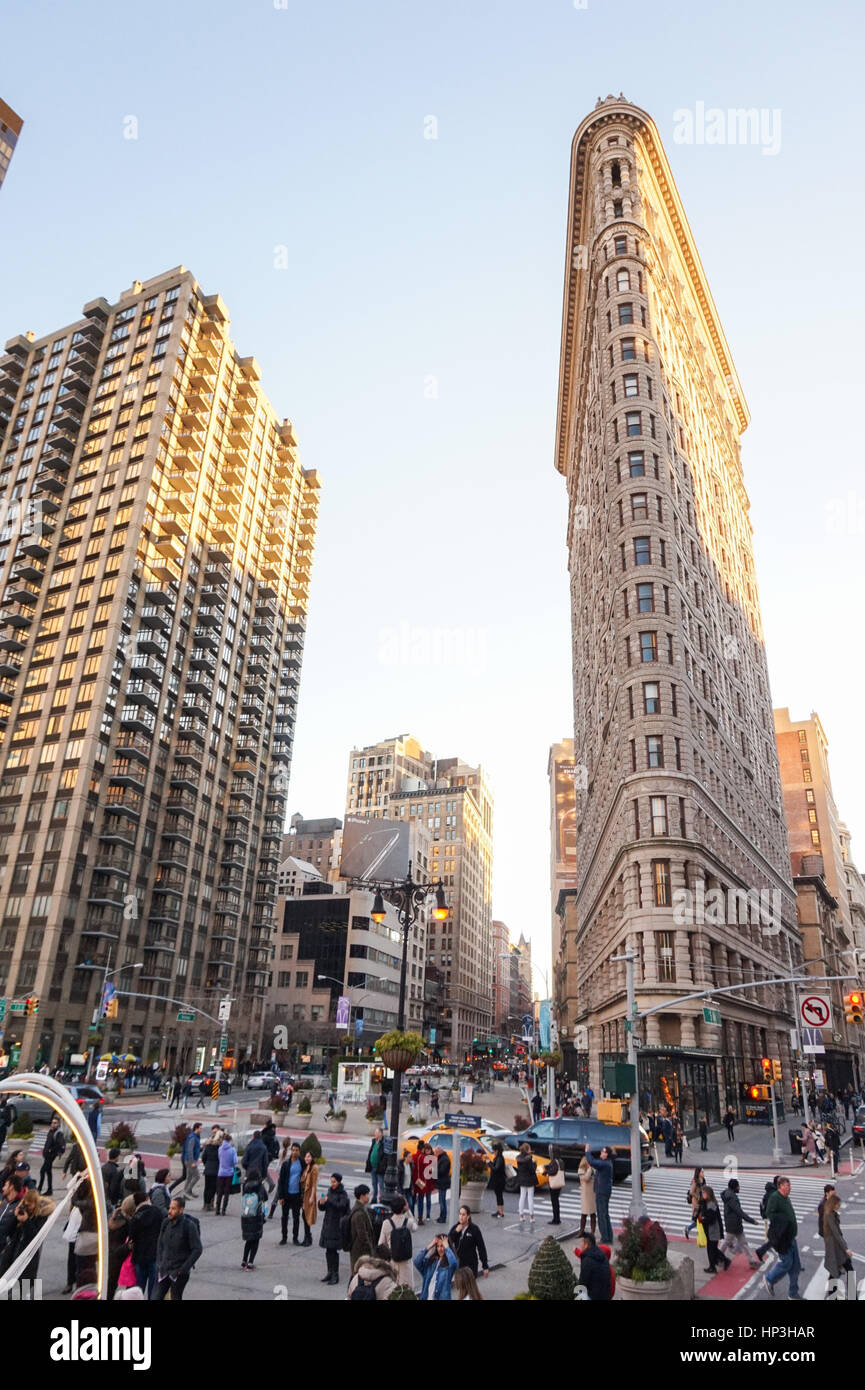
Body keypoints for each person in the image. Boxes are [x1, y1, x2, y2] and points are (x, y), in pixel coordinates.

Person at [0, 1189, 54, 1298]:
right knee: (5, 1294)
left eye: (30, 1206)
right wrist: (15, 1218)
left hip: (27, 1263)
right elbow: (8, 1232)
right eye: (26, 1204)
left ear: (36, 1204)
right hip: (12, 1258)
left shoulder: (41, 1217)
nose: (27, 1208)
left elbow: (35, 1237)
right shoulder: (22, 1213)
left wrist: (26, 1221)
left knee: (22, 1293)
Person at [152, 1195, 202, 1301]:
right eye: (169, 1208)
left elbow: (197, 1249)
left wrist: (184, 1268)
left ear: (181, 1210)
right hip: (164, 1270)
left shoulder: (189, 1226)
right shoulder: (166, 1223)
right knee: (156, 1297)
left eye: (173, 1208)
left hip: (178, 1272)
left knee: (175, 1296)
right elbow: (160, 1243)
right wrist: (159, 1262)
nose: (169, 1211)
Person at [762, 1177, 802, 1300]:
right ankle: (769, 1279)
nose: (789, 1188)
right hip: (782, 1238)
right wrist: (784, 1219)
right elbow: (769, 1213)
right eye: (786, 1186)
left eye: (789, 1186)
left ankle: (793, 1293)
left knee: (796, 1266)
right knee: (787, 1262)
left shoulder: (786, 1198)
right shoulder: (775, 1198)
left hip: (791, 1237)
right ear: (780, 1186)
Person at [719, 1179, 760, 1269]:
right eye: (738, 1186)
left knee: (743, 1243)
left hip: (734, 1224)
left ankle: (752, 1261)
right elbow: (739, 1212)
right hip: (733, 1225)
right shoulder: (732, 1198)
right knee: (727, 1242)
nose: (739, 1188)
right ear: (735, 1187)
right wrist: (752, 1221)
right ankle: (717, 1257)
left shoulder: (728, 1195)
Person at [128, 1190, 162, 1299]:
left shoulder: (135, 1217)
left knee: (139, 1288)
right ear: (147, 1199)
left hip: (139, 1256)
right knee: (153, 1289)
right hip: (154, 1254)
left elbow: (131, 1236)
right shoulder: (157, 1212)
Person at [318, 1172, 350, 1285]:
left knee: (334, 1251)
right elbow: (324, 1208)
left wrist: (329, 1200)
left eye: (334, 1182)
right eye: (331, 1182)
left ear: (339, 1182)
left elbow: (341, 1206)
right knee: (328, 1250)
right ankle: (329, 1272)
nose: (332, 1184)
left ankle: (335, 1274)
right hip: (328, 1224)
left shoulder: (343, 1194)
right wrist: (321, 1203)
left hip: (336, 1225)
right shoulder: (330, 1191)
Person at [379, 1194, 417, 1287]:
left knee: (394, 1288)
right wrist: (408, 1211)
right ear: (403, 1207)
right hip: (406, 1260)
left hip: (393, 1260)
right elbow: (415, 1227)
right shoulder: (408, 1222)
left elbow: (381, 1244)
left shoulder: (386, 1223)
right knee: (407, 1289)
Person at [822, 1192, 852, 1299]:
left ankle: (833, 1295)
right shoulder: (830, 1216)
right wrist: (846, 1249)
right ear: (833, 1204)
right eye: (837, 1204)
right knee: (846, 1270)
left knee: (835, 1272)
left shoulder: (832, 1214)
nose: (839, 1206)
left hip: (835, 1247)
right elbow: (836, 1234)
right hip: (835, 1247)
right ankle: (852, 1296)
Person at [448, 1203, 489, 1278]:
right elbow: (448, 1242)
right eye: (460, 1214)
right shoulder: (455, 1228)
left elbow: (481, 1247)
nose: (461, 1217)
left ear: (468, 1216)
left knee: (470, 1287)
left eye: (463, 1215)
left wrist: (485, 1265)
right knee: (461, 1287)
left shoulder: (474, 1229)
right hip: (459, 1264)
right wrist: (456, 1232)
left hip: (471, 1265)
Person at [413, 1232, 458, 1299]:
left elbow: (454, 1263)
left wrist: (447, 1247)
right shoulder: (432, 1261)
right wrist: (430, 1245)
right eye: (437, 1246)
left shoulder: (448, 1265)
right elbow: (417, 1262)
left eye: (442, 1246)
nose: (440, 1249)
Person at [584, 1146, 614, 1245]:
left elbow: (592, 1162)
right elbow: (595, 1162)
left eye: (603, 1151)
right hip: (603, 1190)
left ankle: (605, 1238)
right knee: (605, 1214)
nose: (601, 1152)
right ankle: (609, 1236)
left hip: (602, 1191)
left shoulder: (605, 1164)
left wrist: (587, 1152)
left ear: (607, 1154)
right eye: (602, 1151)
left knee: (602, 1215)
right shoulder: (606, 1163)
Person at [697, 1185, 730, 1274]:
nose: (702, 1194)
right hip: (710, 1230)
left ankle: (714, 1266)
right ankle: (720, 1262)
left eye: (704, 1193)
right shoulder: (707, 1202)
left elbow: (710, 1219)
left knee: (711, 1249)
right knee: (712, 1248)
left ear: (708, 1194)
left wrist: (702, 1219)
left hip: (713, 1230)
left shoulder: (711, 1204)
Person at [240, 1169, 268, 1270]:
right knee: (255, 1240)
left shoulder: (245, 1185)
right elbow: (265, 1197)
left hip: (245, 1216)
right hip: (256, 1216)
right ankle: (251, 1262)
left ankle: (244, 1260)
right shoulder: (259, 1185)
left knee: (248, 1240)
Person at [277, 1141, 304, 1245]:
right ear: (290, 1151)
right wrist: (280, 1196)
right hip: (286, 1194)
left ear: (299, 1151)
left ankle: (295, 1238)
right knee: (284, 1217)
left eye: (296, 1150)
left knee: (296, 1217)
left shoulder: (302, 1163)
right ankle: (284, 1237)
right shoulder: (286, 1164)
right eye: (293, 1150)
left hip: (297, 1194)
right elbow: (281, 1181)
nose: (294, 1152)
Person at [349, 1184, 378, 1270]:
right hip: (360, 1251)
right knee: (359, 1275)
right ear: (362, 1196)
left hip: (359, 1250)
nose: (369, 1196)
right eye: (367, 1194)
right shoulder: (359, 1214)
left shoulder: (361, 1209)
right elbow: (362, 1235)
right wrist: (370, 1250)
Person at [576, 1231, 612, 1300]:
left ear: (586, 1245)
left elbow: (583, 1282)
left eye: (582, 1242)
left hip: (593, 1296)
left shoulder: (587, 1260)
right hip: (606, 1295)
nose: (580, 1245)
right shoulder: (603, 1256)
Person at [38, 1116, 65, 1196]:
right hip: (47, 1154)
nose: (53, 1124)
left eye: (55, 1123)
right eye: (52, 1122)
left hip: (50, 1155)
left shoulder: (58, 1133)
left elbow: (59, 1144)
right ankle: (50, 1190)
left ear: (58, 1124)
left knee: (42, 1171)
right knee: (48, 1171)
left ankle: (39, 1189)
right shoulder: (51, 1131)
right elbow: (48, 1142)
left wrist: (51, 1151)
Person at [201, 1126, 223, 1211]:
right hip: (216, 1170)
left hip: (208, 1169)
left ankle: (205, 1204)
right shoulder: (219, 1148)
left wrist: (206, 1164)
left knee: (207, 1187)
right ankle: (210, 1204)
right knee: (213, 1188)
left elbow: (203, 1157)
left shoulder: (208, 1147)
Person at [412, 1143, 433, 1226]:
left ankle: (412, 1216)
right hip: (421, 1182)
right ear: (423, 1149)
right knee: (420, 1201)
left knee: (413, 1201)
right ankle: (420, 1218)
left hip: (414, 1181)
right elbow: (428, 1171)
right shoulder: (424, 1158)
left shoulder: (413, 1156)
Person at [216, 1131, 237, 1215]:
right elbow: (235, 1161)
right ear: (230, 1140)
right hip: (229, 1172)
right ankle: (223, 1209)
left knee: (220, 1191)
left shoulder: (220, 1149)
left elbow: (219, 1159)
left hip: (221, 1172)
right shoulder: (232, 1150)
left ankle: (217, 1209)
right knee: (227, 1191)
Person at [516, 1142, 537, 1225]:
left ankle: (521, 1216)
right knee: (530, 1198)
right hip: (529, 1180)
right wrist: (535, 1164)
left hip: (522, 1179)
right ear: (528, 1150)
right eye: (530, 1149)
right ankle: (531, 1217)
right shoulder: (529, 1159)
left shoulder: (519, 1158)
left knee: (522, 1197)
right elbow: (532, 1170)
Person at [299, 1149, 317, 1247]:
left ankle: (308, 1238)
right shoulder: (306, 1167)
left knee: (307, 1216)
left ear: (312, 1158)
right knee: (304, 1216)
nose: (307, 1158)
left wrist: (311, 1197)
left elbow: (314, 1184)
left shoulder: (314, 1168)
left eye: (309, 1156)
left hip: (308, 1195)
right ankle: (307, 1237)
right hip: (303, 1195)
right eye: (306, 1156)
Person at [365, 1127, 386, 1204]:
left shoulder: (383, 1142)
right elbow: (371, 1152)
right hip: (372, 1166)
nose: (375, 1134)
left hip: (379, 1167)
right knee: (374, 1183)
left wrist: (382, 1166)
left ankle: (382, 1199)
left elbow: (384, 1156)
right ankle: (374, 1197)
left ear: (380, 1134)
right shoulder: (374, 1141)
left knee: (381, 1184)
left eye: (376, 1133)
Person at [684, 1166, 706, 1241]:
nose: (703, 1173)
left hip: (702, 1202)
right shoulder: (695, 1181)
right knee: (699, 1219)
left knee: (699, 1219)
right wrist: (697, 1197)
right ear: (698, 1173)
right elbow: (691, 1192)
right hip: (696, 1203)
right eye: (702, 1172)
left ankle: (688, 1228)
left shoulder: (703, 1180)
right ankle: (689, 1228)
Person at [577, 1155, 597, 1237]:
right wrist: (589, 1169)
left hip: (592, 1193)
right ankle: (581, 1231)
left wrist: (591, 1169)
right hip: (585, 1194)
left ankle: (593, 1232)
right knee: (584, 1214)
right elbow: (586, 1178)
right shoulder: (581, 1170)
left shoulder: (593, 1169)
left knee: (593, 1214)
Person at [181, 1123, 202, 1199]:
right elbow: (189, 1150)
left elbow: (195, 1148)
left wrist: (201, 1147)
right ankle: (186, 1192)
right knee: (197, 1176)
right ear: (196, 1128)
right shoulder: (192, 1137)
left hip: (190, 1160)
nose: (201, 1129)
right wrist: (192, 1162)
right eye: (200, 1128)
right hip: (190, 1160)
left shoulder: (196, 1136)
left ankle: (186, 1193)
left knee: (189, 1177)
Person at [546, 1145, 565, 1225]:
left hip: (554, 1183)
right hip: (560, 1183)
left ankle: (556, 1219)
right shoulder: (561, 1161)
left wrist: (547, 1169)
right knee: (556, 1200)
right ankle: (557, 1218)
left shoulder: (554, 1161)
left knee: (554, 1201)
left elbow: (553, 1172)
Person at [489, 1143, 507, 1219]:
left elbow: (495, 1169)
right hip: (500, 1180)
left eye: (494, 1150)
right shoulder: (500, 1158)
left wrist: (489, 1163)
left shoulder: (499, 1158)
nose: (493, 1152)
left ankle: (500, 1212)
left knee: (499, 1196)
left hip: (498, 1180)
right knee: (499, 1196)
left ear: (497, 1150)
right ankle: (500, 1211)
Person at [435, 1146, 451, 1224]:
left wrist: (435, 1169)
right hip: (442, 1182)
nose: (436, 1153)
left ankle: (443, 1217)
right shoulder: (443, 1158)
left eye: (437, 1152)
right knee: (441, 1200)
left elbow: (442, 1171)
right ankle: (441, 1216)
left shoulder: (444, 1159)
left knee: (442, 1201)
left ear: (440, 1151)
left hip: (443, 1182)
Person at [399, 1148, 414, 1212]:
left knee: (410, 1203)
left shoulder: (411, 1165)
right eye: (409, 1157)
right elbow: (398, 1179)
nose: (411, 1158)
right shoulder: (401, 1166)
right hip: (403, 1188)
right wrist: (399, 1191)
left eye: (411, 1157)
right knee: (403, 1204)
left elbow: (411, 1178)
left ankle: (409, 1215)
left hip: (408, 1188)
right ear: (405, 1158)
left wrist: (412, 1187)